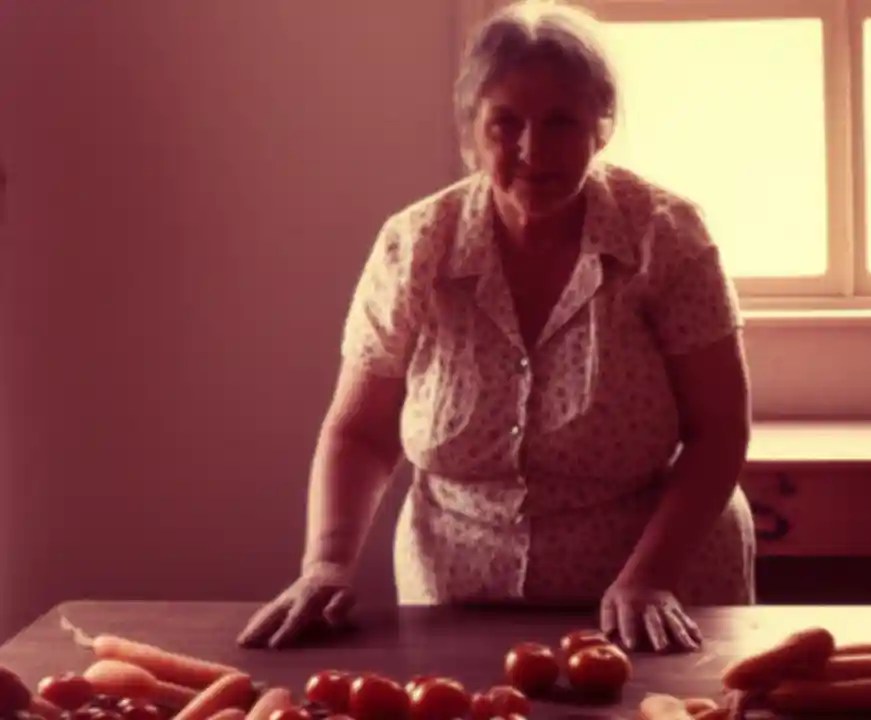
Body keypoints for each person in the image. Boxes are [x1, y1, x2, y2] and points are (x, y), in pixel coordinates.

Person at [237, 0, 755, 654]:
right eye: (505, 123)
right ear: (470, 131)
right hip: (456, 597)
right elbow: (361, 430)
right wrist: (327, 563)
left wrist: (647, 580)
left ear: (601, 126)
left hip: (652, 600)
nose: (532, 150)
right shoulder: (416, 245)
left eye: (561, 122)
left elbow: (719, 432)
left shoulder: (666, 237)